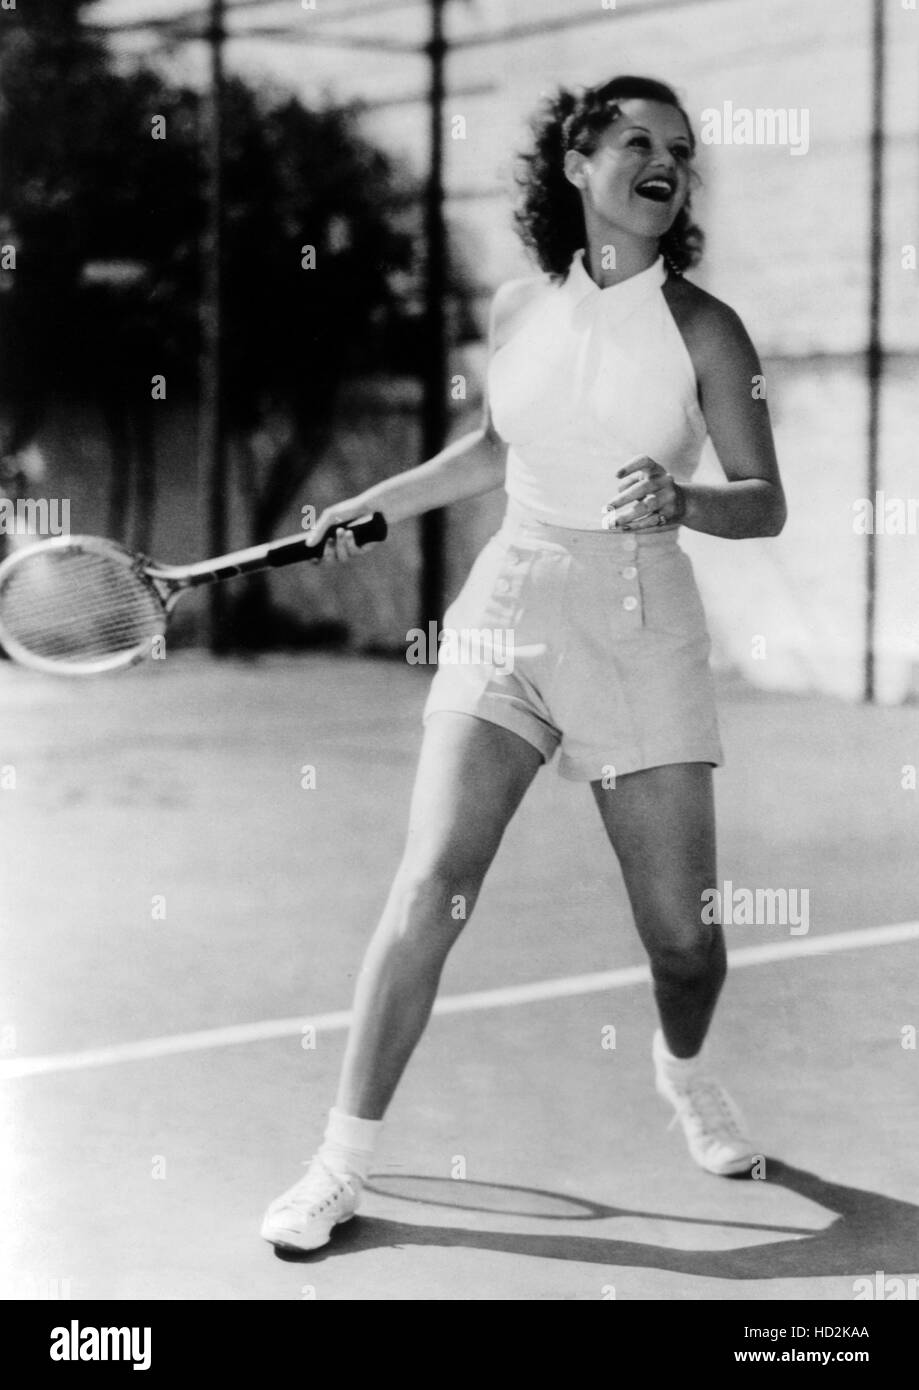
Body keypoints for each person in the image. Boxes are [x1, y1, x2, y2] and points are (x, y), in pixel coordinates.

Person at [261, 75, 787, 1253]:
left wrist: (686, 498)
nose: (664, 161)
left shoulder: (707, 329)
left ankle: (682, 1070)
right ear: (576, 163)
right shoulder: (516, 309)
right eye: (636, 140)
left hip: (639, 618)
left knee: (683, 939)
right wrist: (370, 504)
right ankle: (338, 1164)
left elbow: (765, 499)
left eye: (680, 147)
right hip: (507, 602)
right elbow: (494, 448)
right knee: (431, 882)